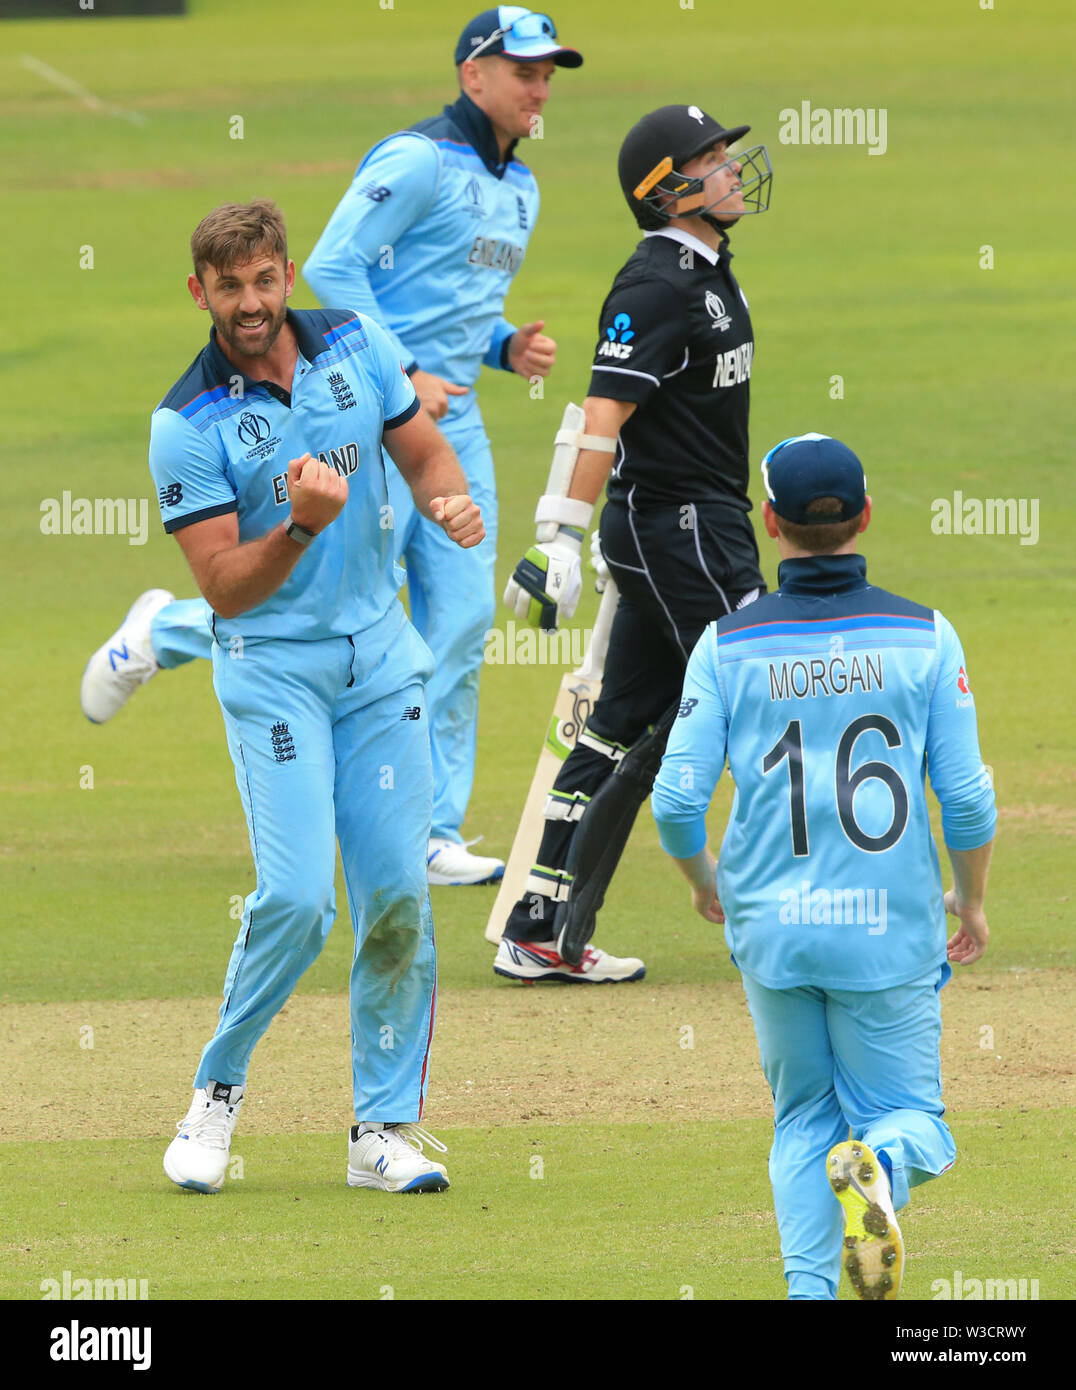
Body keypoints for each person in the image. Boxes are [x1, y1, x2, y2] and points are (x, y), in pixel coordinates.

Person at [80, 7, 580, 886]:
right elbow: (337, 266)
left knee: (460, 620)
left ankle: (433, 830)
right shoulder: (417, 160)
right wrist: (409, 367)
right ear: (474, 76)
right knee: (346, 598)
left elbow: (450, 291)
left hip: (443, 419)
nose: (541, 89)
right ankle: (166, 627)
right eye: (525, 72)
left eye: (548, 75)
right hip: (365, 401)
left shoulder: (524, 187)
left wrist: (502, 346)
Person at [154, 199, 485, 1195]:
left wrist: (448, 496)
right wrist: (298, 529)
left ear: (286, 275)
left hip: (380, 663)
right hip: (273, 668)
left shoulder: (354, 342)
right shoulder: (186, 422)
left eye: (263, 280)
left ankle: (380, 1130)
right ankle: (215, 1096)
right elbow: (221, 587)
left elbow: (420, 447)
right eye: (229, 287)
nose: (249, 303)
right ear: (199, 292)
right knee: (298, 902)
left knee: (395, 899)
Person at [651, 432, 996, 1298]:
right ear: (866, 516)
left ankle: (811, 1292)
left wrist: (707, 885)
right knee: (916, 1125)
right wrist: (972, 899)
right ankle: (880, 1164)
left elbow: (676, 803)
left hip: (774, 933)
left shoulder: (725, 645)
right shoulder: (927, 635)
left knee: (802, 1120)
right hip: (887, 935)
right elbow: (967, 799)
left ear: (770, 524)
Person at [494, 104, 773, 982]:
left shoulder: (709, 269)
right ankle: (803, 907)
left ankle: (542, 925)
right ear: (666, 189)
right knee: (769, 687)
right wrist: (561, 539)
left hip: (698, 521)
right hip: (678, 526)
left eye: (728, 154)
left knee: (622, 725)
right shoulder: (655, 284)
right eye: (712, 159)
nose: (732, 169)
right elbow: (602, 416)